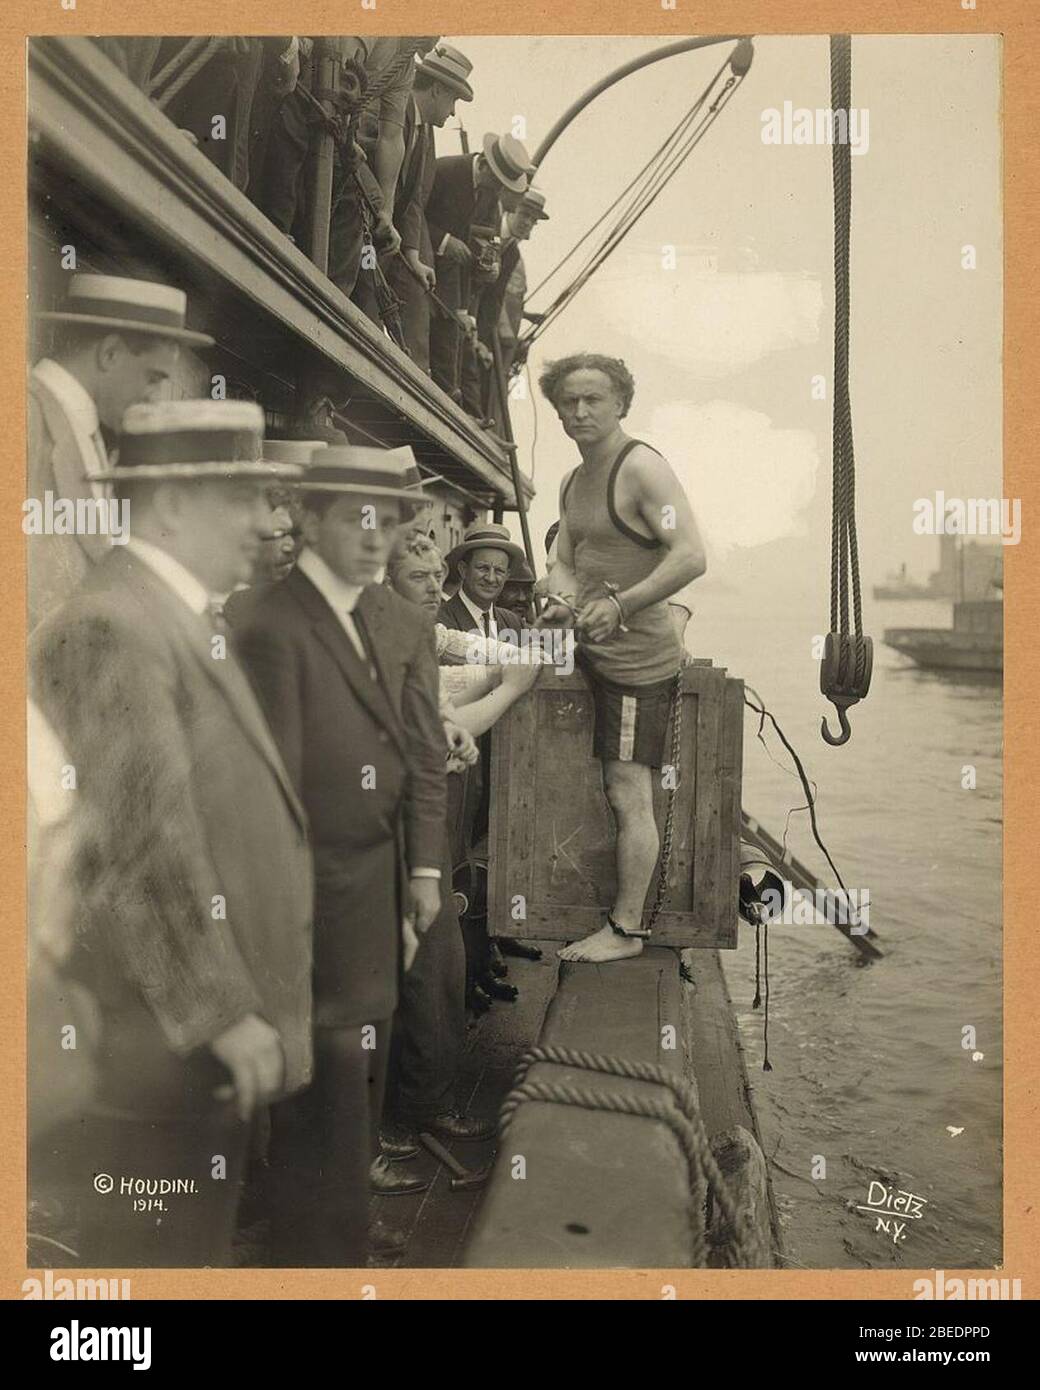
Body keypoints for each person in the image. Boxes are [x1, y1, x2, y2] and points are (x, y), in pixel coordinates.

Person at [29, 400, 312, 1267]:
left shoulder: (175, 614)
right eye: (247, 497)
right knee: (154, 1269)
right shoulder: (112, 627)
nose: (272, 523)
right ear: (173, 503)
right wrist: (220, 1012)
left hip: (188, 1057)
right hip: (157, 1057)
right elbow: (138, 840)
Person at [232, 446, 447, 1267]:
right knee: (320, 1079)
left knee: (361, 1070)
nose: (373, 536)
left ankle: (340, 1222)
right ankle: (317, 1248)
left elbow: (422, 755)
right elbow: (272, 795)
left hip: (380, 881)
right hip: (312, 889)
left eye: (387, 522)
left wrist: (422, 872)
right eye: (355, 518)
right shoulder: (271, 625)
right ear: (310, 518)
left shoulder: (387, 619)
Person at [537, 353, 707, 963]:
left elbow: (689, 555)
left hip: (638, 662)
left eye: (593, 400)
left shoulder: (642, 470)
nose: (579, 411)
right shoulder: (572, 481)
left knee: (628, 792)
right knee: (592, 780)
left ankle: (628, 930)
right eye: (567, 402)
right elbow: (567, 557)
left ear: (621, 405)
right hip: (590, 651)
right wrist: (558, 597)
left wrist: (623, 605)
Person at [28, 273, 212, 629]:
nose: (155, 398)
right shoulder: (24, 416)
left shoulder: (91, 436)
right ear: (110, 353)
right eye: (153, 378)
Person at [380, 44, 475, 370]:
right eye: (453, 101)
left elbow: (414, 201)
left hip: (390, 245)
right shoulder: (396, 110)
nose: (451, 112)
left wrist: (412, 257)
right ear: (437, 90)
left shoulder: (425, 133)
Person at [425, 133, 533, 403]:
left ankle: (452, 400)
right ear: (483, 163)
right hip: (422, 271)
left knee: (456, 343)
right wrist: (446, 242)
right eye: (497, 182)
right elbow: (410, 213)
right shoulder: (444, 171)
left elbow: (486, 242)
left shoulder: (488, 194)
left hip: (454, 289)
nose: (497, 191)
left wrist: (488, 266)